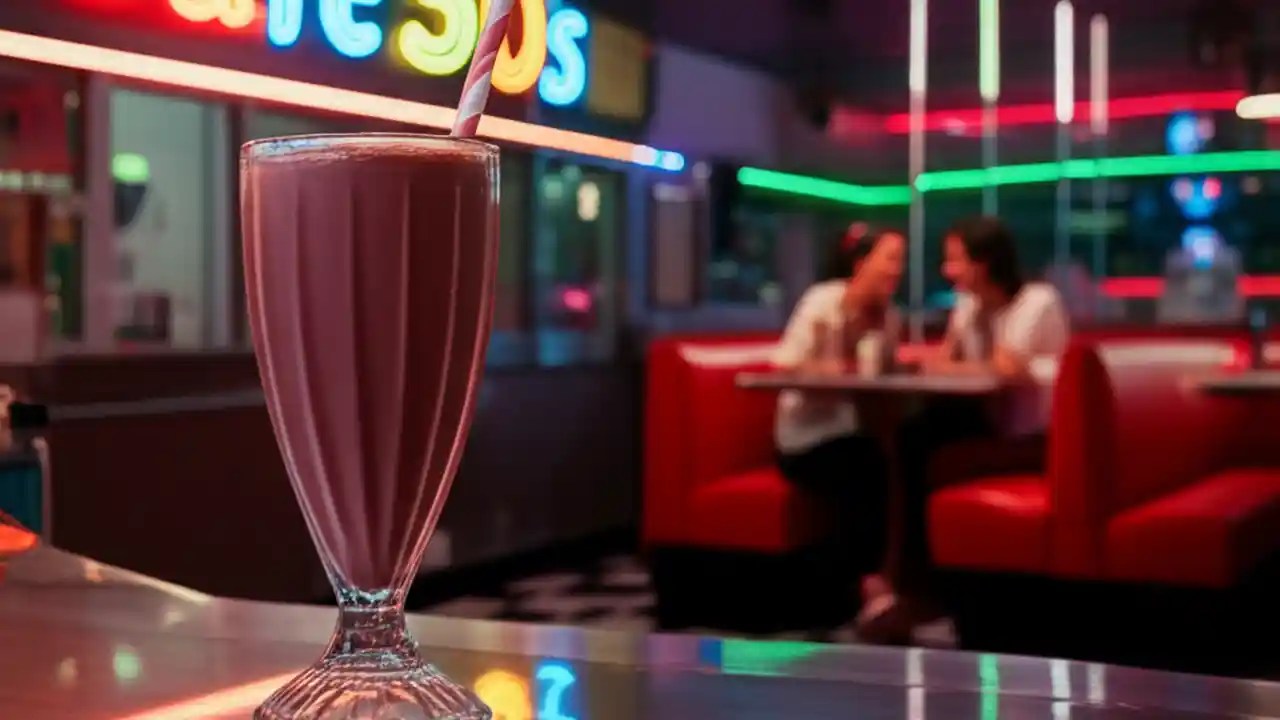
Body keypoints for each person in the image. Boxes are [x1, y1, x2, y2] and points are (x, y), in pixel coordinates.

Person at [860, 215, 1070, 642]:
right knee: (910, 436)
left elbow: (1006, 369)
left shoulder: (1037, 301)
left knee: (931, 457)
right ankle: (908, 588)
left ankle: (929, 595)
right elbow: (946, 361)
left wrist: (952, 364)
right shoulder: (969, 305)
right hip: (993, 427)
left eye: (955, 260)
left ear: (985, 262)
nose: (947, 271)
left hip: (1038, 440)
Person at [773, 225, 905, 582]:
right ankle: (868, 584)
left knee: (904, 454)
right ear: (861, 263)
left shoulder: (888, 317)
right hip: (804, 439)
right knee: (868, 466)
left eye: (900, 261)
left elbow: (886, 380)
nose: (897, 270)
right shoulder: (823, 301)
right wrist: (836, 366)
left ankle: (897, 581)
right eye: (890, 259)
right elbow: (784, 365)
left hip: (852, 432)